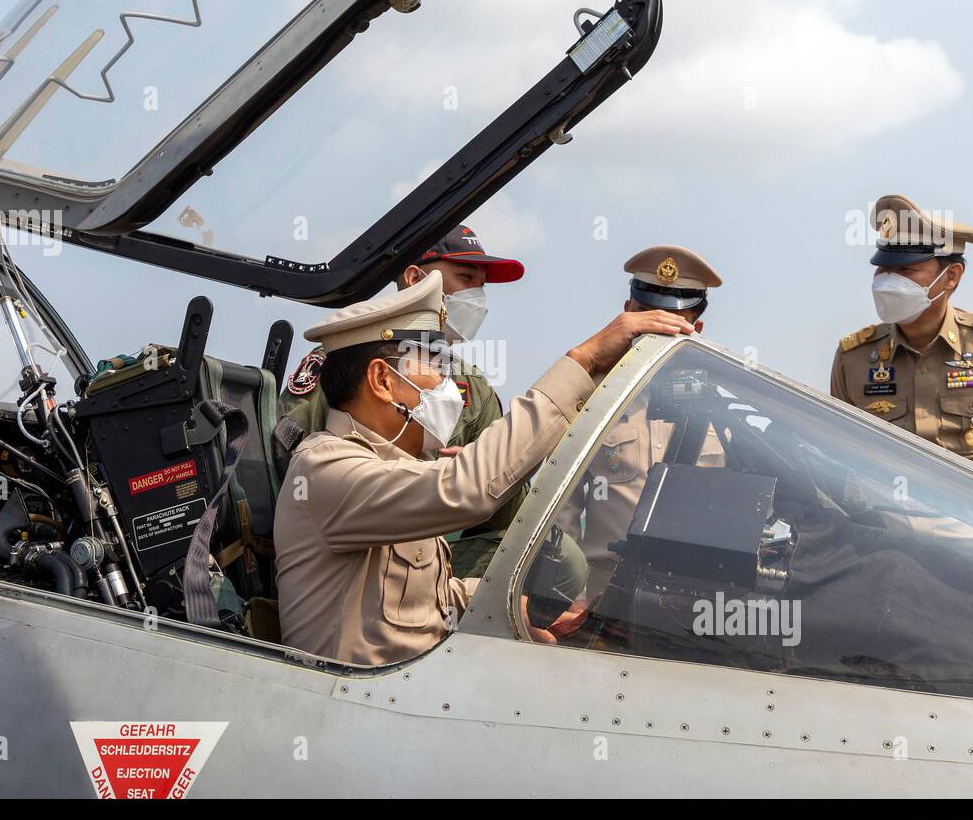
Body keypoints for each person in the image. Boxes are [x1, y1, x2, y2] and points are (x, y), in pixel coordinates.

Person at [272, 269, 697, 665]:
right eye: (434, 364)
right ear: (383, 381)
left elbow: (422, 606)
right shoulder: (324, 467)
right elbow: (467, 488)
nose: (446, 384)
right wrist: (584, 362)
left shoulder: (394, 467)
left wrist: (510, 603)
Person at [278, 225, 528, 577]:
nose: (476, 296)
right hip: (353, 546)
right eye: (465, 277)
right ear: (414, 278)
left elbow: (505, 501)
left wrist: (485, 474)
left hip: (436, 546)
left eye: (481, 285)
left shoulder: (474, 386)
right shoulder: (346, 359)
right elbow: (291, 472)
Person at [830, 194, 973, 491]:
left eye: (905, 270)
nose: (887, 280)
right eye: (883, 268)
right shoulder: (853, 357)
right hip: (885, 530)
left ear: (951, 277)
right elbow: (839, 449)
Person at [554, 245, 725, 604]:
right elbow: (560, 510)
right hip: (602, 597)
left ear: (696, 328)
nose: (655, 328)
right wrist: (563, 600)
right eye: (646, 316)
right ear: (626, 314)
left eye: (671, 321)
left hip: (701, 600)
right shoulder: (590, 398)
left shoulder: (724, 408)